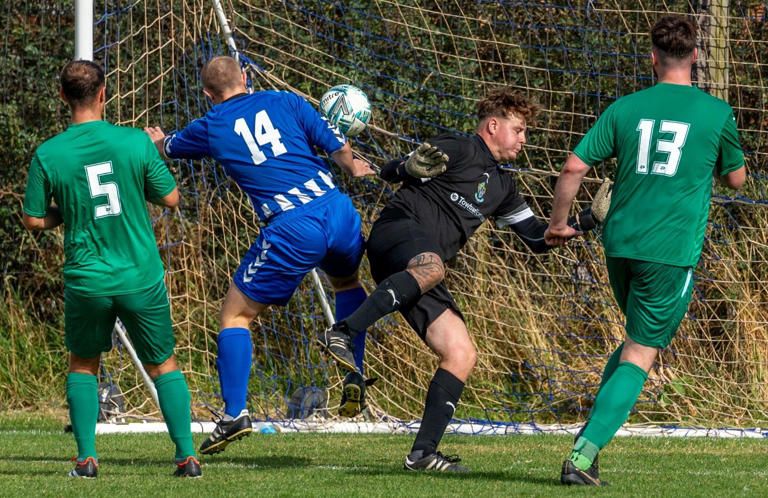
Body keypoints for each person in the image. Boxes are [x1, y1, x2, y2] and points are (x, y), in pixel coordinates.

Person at [321, 87, 606, 472]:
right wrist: (407, 168)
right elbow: (390, 170)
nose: (524, 139)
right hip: (397, 232)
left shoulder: (504, 188)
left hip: (419, 271)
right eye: (519, 129)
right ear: (493, 126)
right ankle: (343, 332)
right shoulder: (458, 147)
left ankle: (422, 454)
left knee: (461, 353)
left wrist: (586, 221)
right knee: (433, 268)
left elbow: (538, 239)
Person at [545, 15, 746, 486]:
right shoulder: (716, 113)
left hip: (619, 246)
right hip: (669, 252)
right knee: (641, 351)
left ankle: (589, 441)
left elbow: (573, 168)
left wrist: (557, 224)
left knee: (634, 342)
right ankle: (582, 459)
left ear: (652, 58)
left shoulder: (625, 108)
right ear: (695, 56)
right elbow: (737, 179)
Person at [144, 55, 375, 454]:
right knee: (347, 282)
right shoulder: (288, 101)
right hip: (338, 211)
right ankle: (354, 369)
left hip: (293, 225)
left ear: (208, 94)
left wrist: (157, 140)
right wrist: (364, 168)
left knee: (234, 316)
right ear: (246, 77)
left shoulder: (211, 126)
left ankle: (234, 413)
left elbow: (170, 147)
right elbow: (344, 154)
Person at [22, 60, 200, 478]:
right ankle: (187, 458)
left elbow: (32, 219)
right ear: (104, 94)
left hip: (88, 279)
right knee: (164, 364)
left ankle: (86, 460)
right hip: (140, 275)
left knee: (83, 364)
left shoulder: (48, 154)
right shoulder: (135, 141)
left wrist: (65, 212)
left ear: (62, 96)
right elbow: (172, 198)